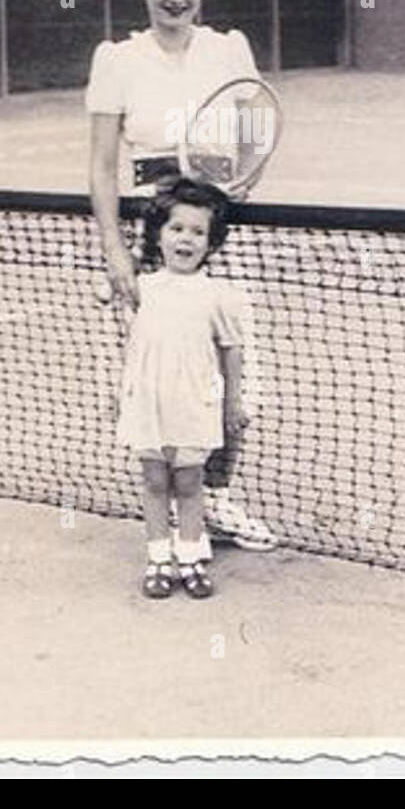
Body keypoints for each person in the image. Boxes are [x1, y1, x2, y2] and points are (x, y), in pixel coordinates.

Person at [87, 0, 275, 553]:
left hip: (219, 230)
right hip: (150, 233)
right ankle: (165, 515)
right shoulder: (117, 59)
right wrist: (115, 250)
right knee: (157, 376)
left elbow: (256, 125)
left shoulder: (229, 49)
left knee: (226, 374)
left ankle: (215, 497)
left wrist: (245, 176)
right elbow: (100, 163)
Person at [118, 179, 248, 598]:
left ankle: (190, 558)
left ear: (211, 244)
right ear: (158, 234)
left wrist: (232, 403)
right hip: (148, 404)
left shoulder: (217, 296)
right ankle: (158, 559)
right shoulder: (140, 288)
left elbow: (231, 353)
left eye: (197, 232)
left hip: (193, 404)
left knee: (190, 485)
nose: (186, 239)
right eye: (177, 229)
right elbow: (121, 334)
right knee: (155, 484)